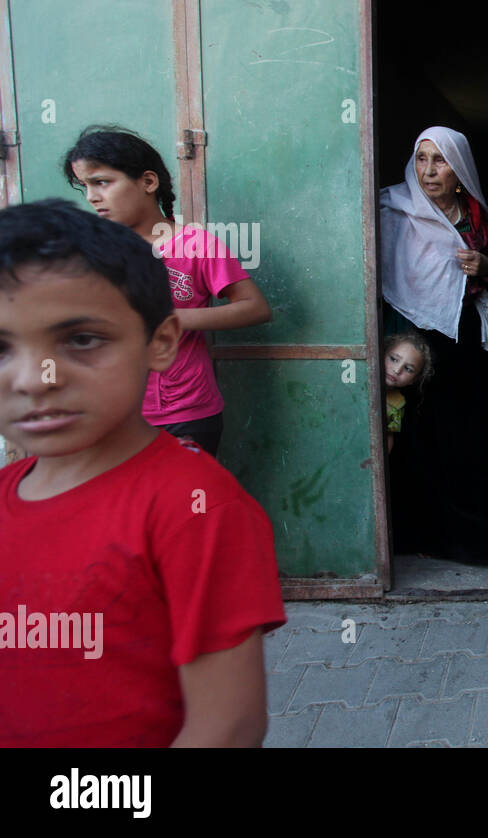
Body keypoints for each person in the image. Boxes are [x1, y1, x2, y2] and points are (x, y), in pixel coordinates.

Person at [0, 199, 286, 746]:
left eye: (81, 339)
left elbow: (227, 726)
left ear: (160, 341)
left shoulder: (196, 508)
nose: (35, 380)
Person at [62, 125, 273, 456]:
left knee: (184, 504)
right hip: (113, 410)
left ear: (148, 182)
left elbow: (255, 308)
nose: (91, 196)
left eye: (102, 182)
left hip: (185, 412)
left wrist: (169, 317)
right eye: (85, 187)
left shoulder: (195, 245)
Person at [379, 126, 488, 562]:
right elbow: (384, 277)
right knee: (417, 435)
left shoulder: (478, 217)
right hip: (414, 340)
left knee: (469, 435)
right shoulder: (392, 208)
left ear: (458, 171)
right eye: (422, 158)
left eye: (440, 161)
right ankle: (421, 538)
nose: (429, 170)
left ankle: (477, 541)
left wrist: (484, 266)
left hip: (464, 340)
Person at [382, 332, 434, 455]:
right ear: (381, 354)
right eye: (394, 359)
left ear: (414, 380)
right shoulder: (357, 379)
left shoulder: (397, 403)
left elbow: (388, 436)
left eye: (408, 369)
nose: (397, 370)